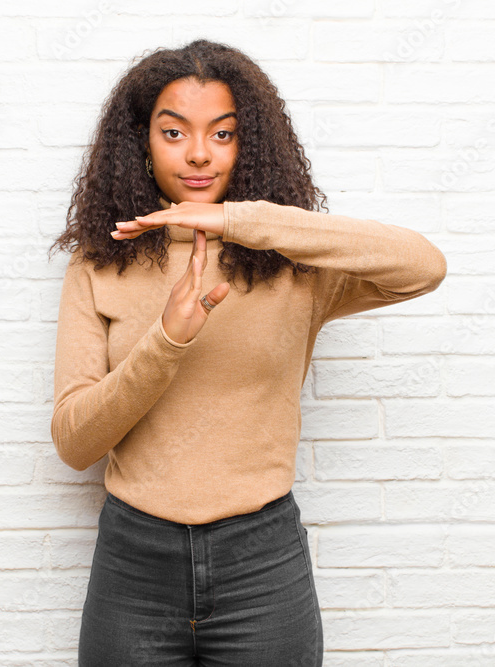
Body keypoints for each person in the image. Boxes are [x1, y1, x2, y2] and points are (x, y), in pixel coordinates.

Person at [48, 39, 447, 666]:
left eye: (223, 134)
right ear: (141, 142)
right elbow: (75, 443)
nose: (198, 153)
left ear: (249, 144)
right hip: (134, 561)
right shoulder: (100, 263)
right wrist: (167, 341)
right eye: (174, 132)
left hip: (261, 563)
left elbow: (422, 266)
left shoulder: (292, 264)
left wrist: (240, 222)